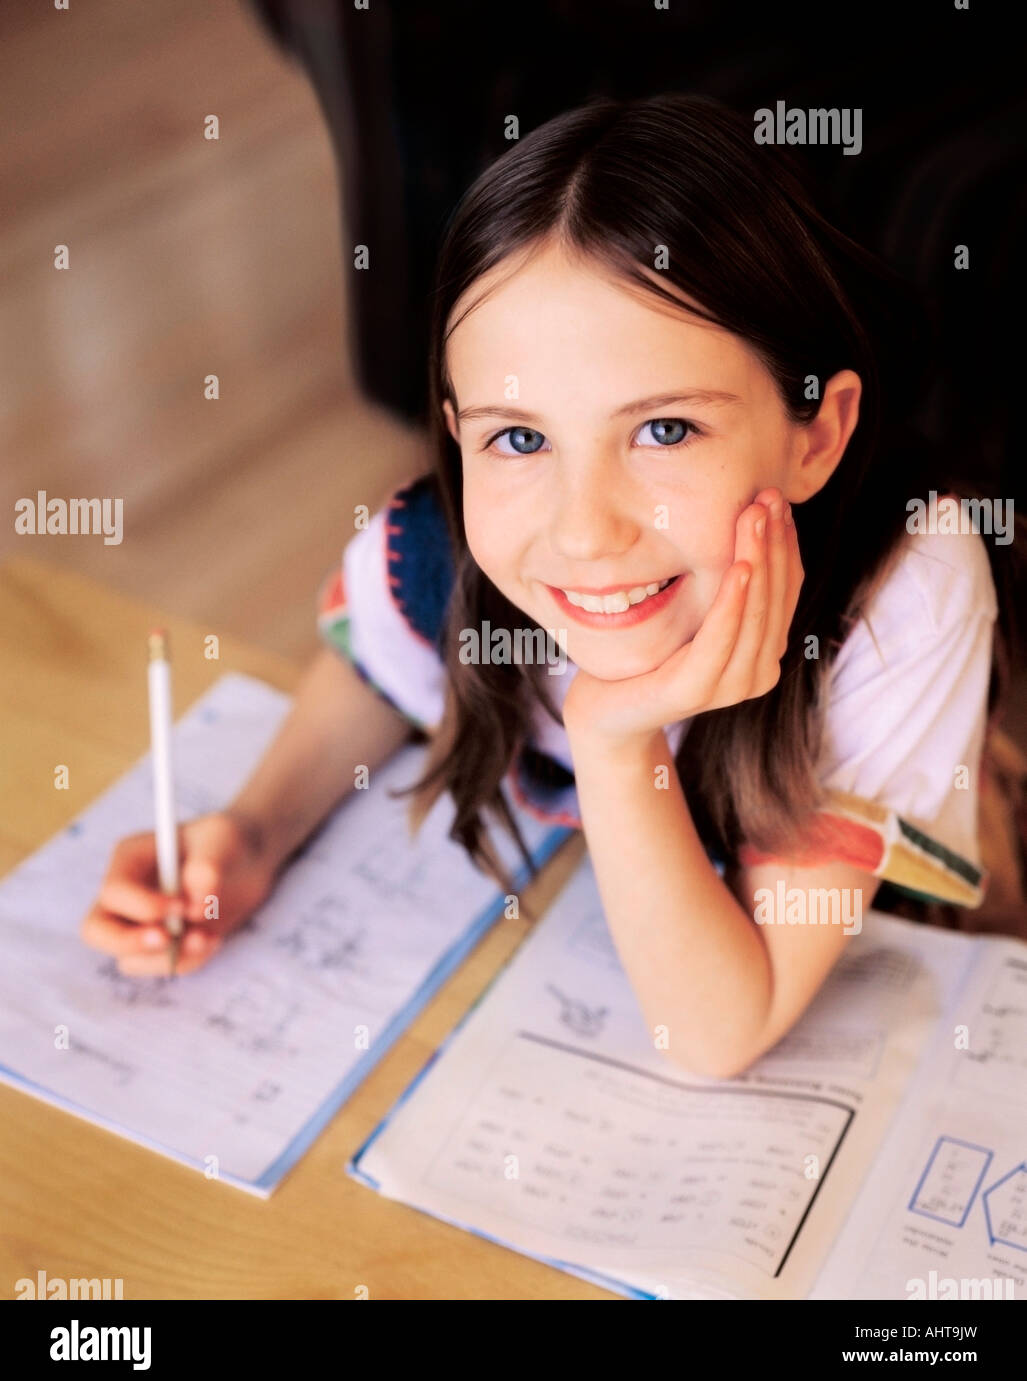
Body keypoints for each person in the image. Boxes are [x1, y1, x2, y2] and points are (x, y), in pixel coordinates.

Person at [80, 94, 1021, 1079]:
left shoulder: (903, 594)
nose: (583, 530)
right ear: (457, 431)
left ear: (814, 434)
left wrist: (614, 740)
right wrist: (253, 832)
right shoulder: (457, 539)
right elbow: (379, 667)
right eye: (519, 437)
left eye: (663, 430)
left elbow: (712, 1032)